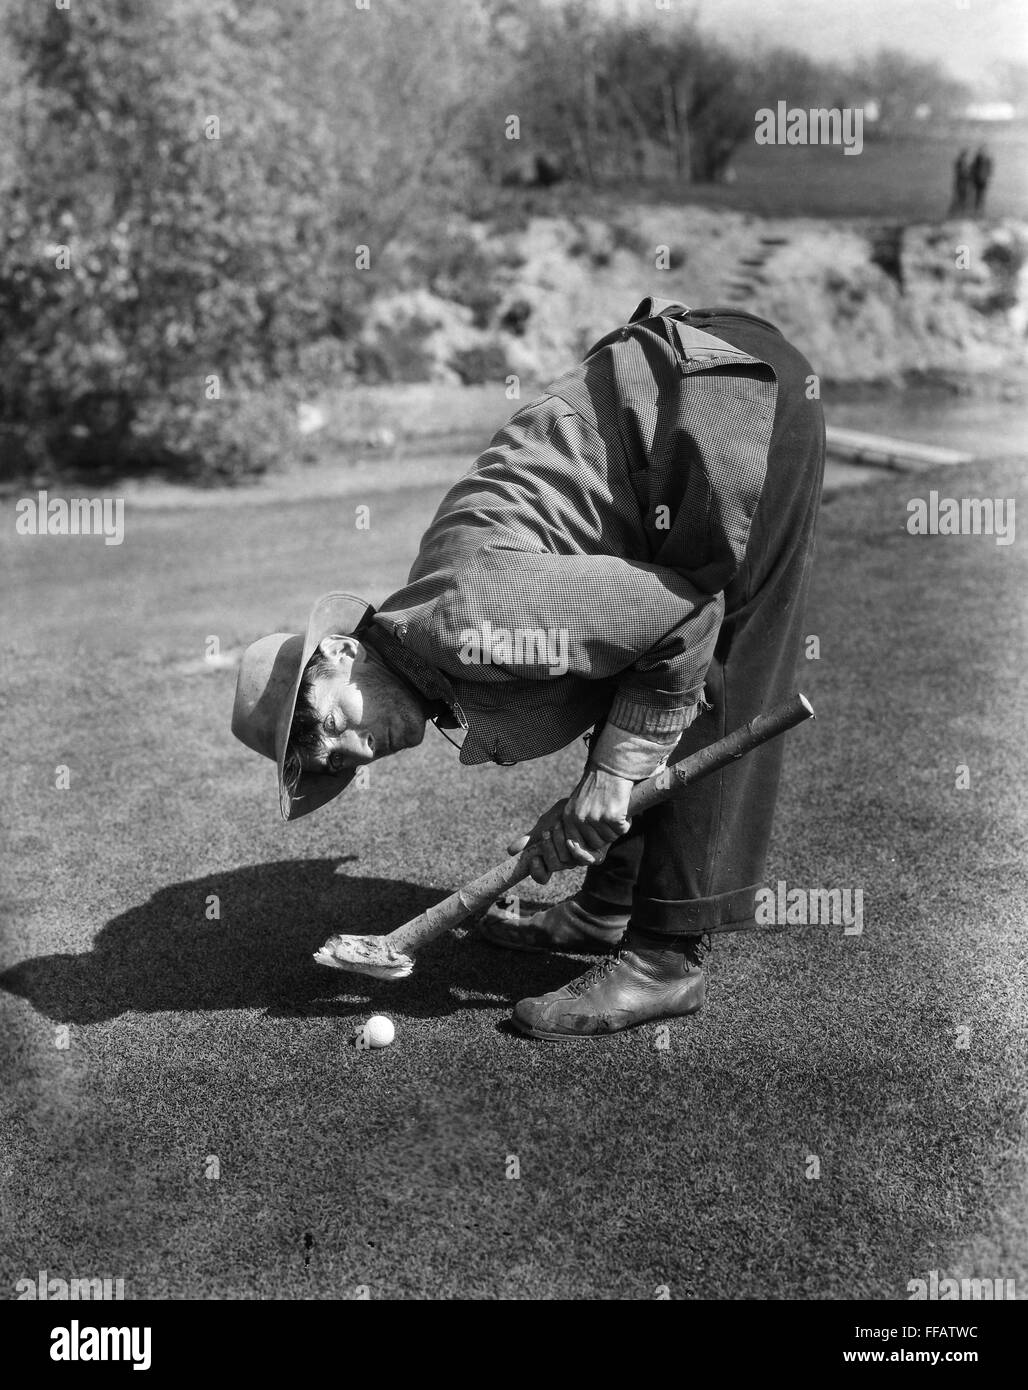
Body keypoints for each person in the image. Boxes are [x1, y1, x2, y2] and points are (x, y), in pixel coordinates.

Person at [232, 297, 826, 1040]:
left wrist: (611, 776)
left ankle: (663, 961)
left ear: (342, 653)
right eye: (333, 764)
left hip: (731, 407)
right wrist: (590, 805)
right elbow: (607, 646)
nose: (351, 754)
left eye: (328, 725)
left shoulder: (465, 618)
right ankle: (610, 903)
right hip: (681, 401)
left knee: (716, 673)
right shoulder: (429, 628)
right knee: (630, 659)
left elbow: (683, 622)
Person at [970, 146, 993, 215]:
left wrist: (987, 177)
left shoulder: (987, 160)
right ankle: (977, 210)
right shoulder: (977, 160)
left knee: (981, 195)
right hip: (978, 180)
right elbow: (973, 170)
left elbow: (989, 170)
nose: (983, 153)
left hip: (983, 180)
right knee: (977, 195)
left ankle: (980, 210)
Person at [951, 150, 970, 215]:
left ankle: (961, 211)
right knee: (960, 197)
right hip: (961, 183)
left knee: (963, 197)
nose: (966, 157)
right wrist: (968, 174)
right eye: (965, 156)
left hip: (963, 183)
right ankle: (957, 211)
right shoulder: (960, 162)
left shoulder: (963, 162)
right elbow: (962, 173)